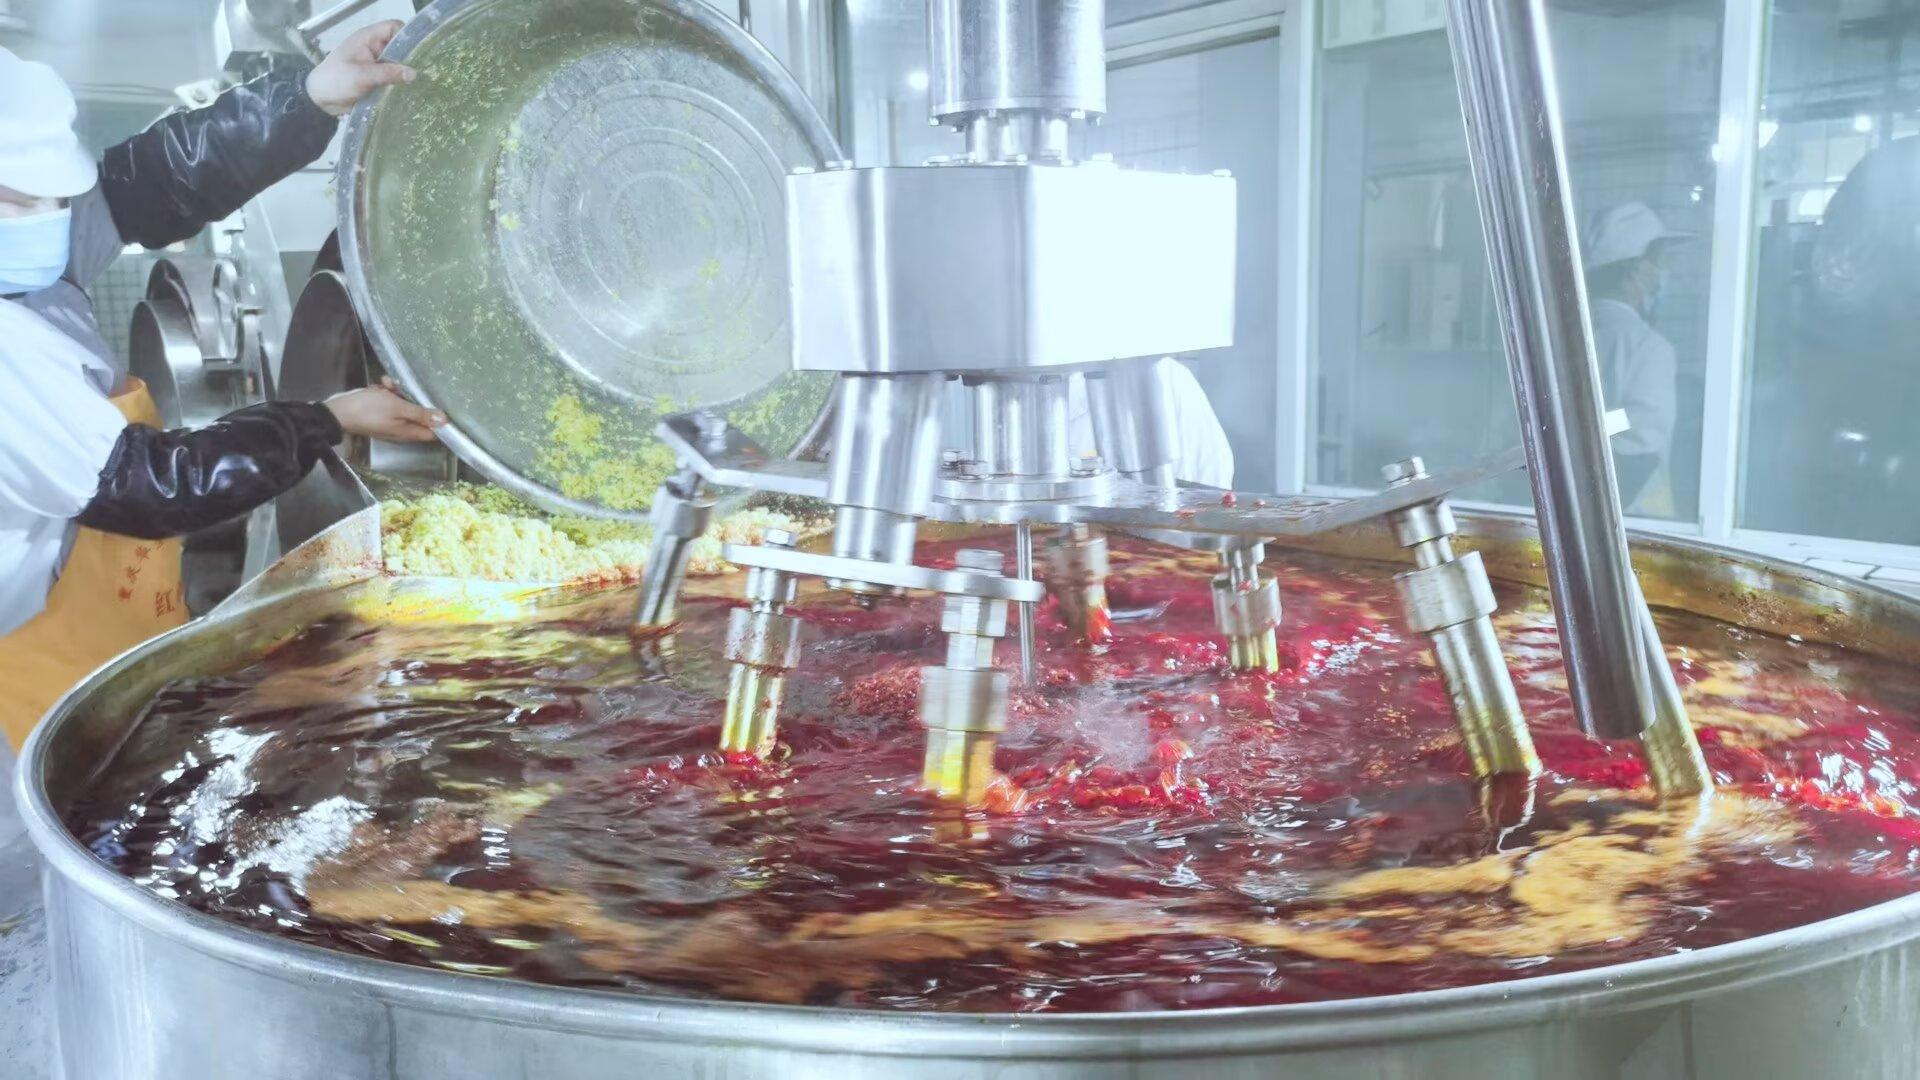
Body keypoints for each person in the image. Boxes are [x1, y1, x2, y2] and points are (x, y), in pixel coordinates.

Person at [0, 22, 444, 749]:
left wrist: (308, 99)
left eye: (56, 197)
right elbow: (157, 486)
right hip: (22, 672)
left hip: (101, 624)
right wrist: (327, 418)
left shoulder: (26, 249)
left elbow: (145, 185)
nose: (51, 221)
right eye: (17, 202)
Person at [1582, 201, 1686, 514]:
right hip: (1634, 521)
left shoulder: (1557, 339)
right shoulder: (1649, 348)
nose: (1663, 274)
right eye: (1660, 262)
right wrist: (1600, 423)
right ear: (1635, 269)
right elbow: (1642, 431)